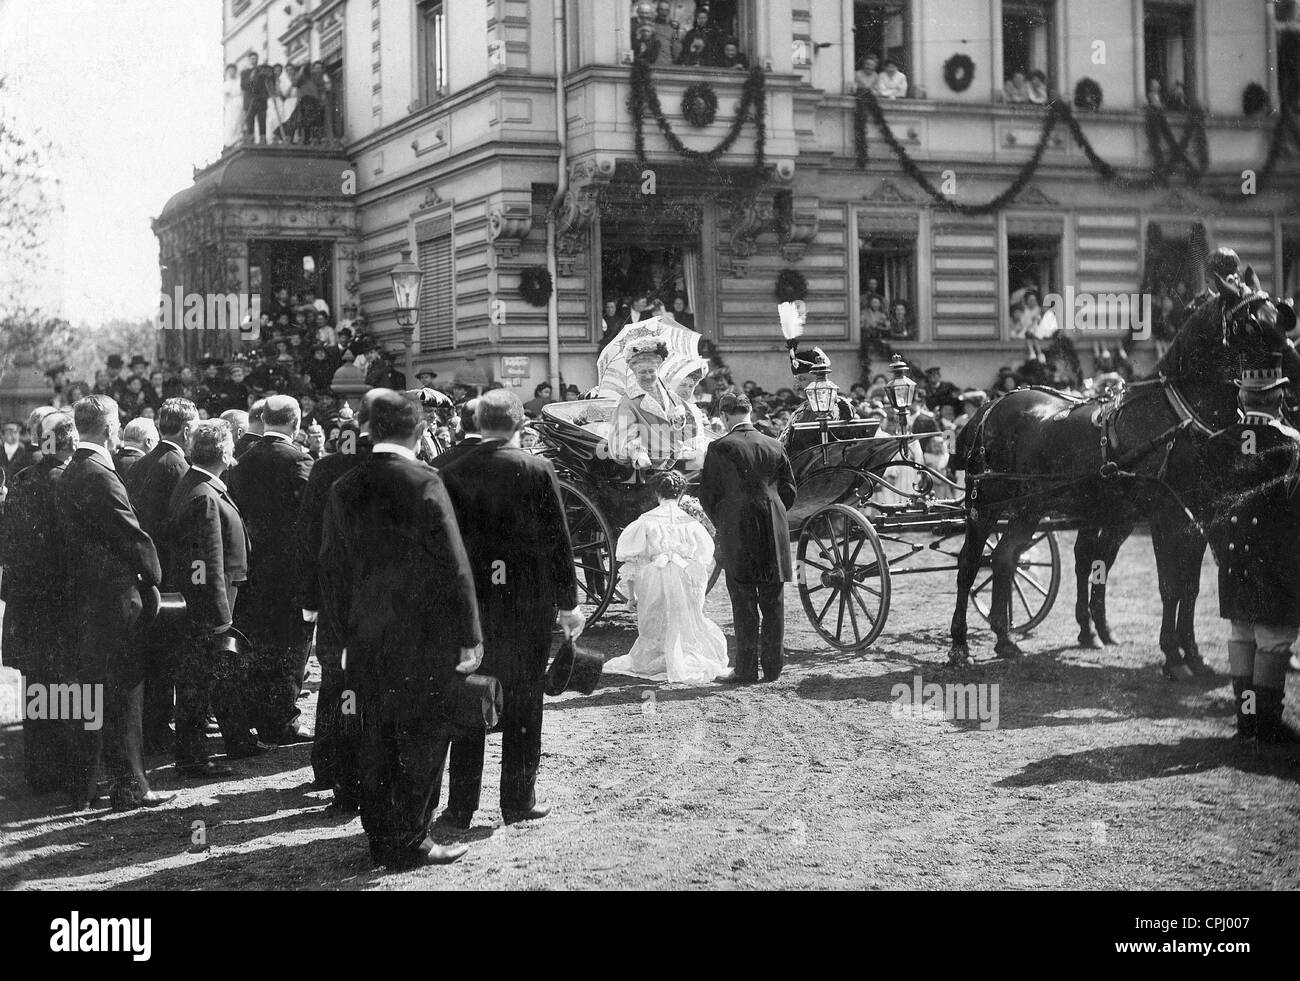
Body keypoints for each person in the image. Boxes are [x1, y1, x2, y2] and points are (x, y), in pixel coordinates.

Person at [319, 390, 482, 867]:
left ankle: (381, 836)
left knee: (375, 735)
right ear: (418, 430)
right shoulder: (424, 479)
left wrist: (333, 638)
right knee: (427, 734)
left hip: (367, 632)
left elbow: (331, 567)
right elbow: (455, 564)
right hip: (425, 633)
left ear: (368, 428)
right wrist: (470, 632)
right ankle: (412, 836)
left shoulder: (344, 484)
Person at [438, 389, 583, 829]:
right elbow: (559, 541)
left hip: (471, 607)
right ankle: (518, 799)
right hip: (525, 605)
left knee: (469, 698)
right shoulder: (537, 468)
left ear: (478, 424)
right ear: (519, 424)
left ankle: (460, 807)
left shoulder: (448, 467)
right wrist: (568, 604)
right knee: (524, 702)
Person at [55, 396, 169, 811]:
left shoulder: (72, 471)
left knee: (92, 693)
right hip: (115, 599)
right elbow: (131, 534)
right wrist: (155, 577)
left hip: (87, 598)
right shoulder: (99, 474)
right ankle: (130, 787)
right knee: (125, 694)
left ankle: (84, 789)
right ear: (107, 429)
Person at [1204, 355, 1300, 745]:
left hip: (1233, 557)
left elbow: (1208, 506)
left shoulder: (1218, 442)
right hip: (1276, 562)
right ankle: (1267, 725)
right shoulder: (1292, 442)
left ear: (1242, 398)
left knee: (1242, 632)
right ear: (1279, 398)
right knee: (1274, 637)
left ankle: (1246, 721)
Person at [164, 420, 260, 777]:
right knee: (198, 684)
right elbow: (209, 561)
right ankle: (192, 760)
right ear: (223, 452)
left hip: (206, 601)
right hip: (210, 606)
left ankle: (206, 751)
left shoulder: (199, 484)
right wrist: (221, 617)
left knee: (202, 680)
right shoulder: (203, 493)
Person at [298, 391, 378, 809]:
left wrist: (310, 596)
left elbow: (310, 537)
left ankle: (328, 766)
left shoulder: (326, 468)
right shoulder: (395, 465)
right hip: (381, 597)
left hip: (334, 595)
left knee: (335, 682)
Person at [228, 394, 315, 745]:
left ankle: (255, 714)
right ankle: (281, 721)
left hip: (252, 569)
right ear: (296, 423)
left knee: (258, 645)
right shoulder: (299, 460)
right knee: (290, 649)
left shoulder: (242, 460)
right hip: (289, 573)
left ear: (264, 421)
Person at [0, 410, 76, 793]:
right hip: (61, 602)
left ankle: (39, 771)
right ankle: (62, 769)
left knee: (37, 684)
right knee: (64, 684)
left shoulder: (22, 480)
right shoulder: (70, 482)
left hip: (28, 602)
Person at [699, 392, 797, 683]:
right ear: (749, 412)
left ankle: (745, 669)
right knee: (773, 599)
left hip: (738, 528)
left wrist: (725, 520)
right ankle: (773, 667)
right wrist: (773, 514)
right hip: (773, 528)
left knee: (743, 600)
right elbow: (789, 492)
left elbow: (708, 495)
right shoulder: (774, 444)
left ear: (724, 416)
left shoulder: (719, 447)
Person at [123, 397, 199, 752]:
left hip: (147, 575)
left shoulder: (142, 463)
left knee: (154, 658)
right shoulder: (179, 466)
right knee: (172, 658)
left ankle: (153, 729)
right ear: (186, 430)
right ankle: (161, 732)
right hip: (172, 577)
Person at [604, 470, 728, 684]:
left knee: (654, 617)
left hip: (655, 574)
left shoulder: (645, 521)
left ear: (657, 494)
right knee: (685, 617)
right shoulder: (691, 522)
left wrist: (631, 597)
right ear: (681, 494)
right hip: (684, 574)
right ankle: (682, 656)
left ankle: (659, 658)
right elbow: (703, 558)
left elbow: (632, 562)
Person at [609, 338, 689, 470]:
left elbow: (672, 427)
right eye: (642, 372)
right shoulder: (628, 401)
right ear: (635, 373)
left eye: (651, 371)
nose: (647, 376)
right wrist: (638, 452)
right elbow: (621, 442)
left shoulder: (668, 394)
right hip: (647, 468)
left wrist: (678, 422)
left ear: (658, 371)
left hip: (673, 460)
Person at [2, 420, 31, 484]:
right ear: (3, 436)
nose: (13, 436)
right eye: (9, 433)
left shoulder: (25, 452)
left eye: (15, 432)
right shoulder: (1, 450)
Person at [222, 63, 243, 147]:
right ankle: (229, 142)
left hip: (238, 103)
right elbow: (225, 95)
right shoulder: (225, 84)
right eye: (229, 71)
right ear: (227, 72)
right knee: (229, 122)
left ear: (235, 71)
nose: (231, 72)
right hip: (230, 105)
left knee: (238, 122)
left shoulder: (239, 82)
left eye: (233, 70)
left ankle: (237, 141)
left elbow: (241, 92)